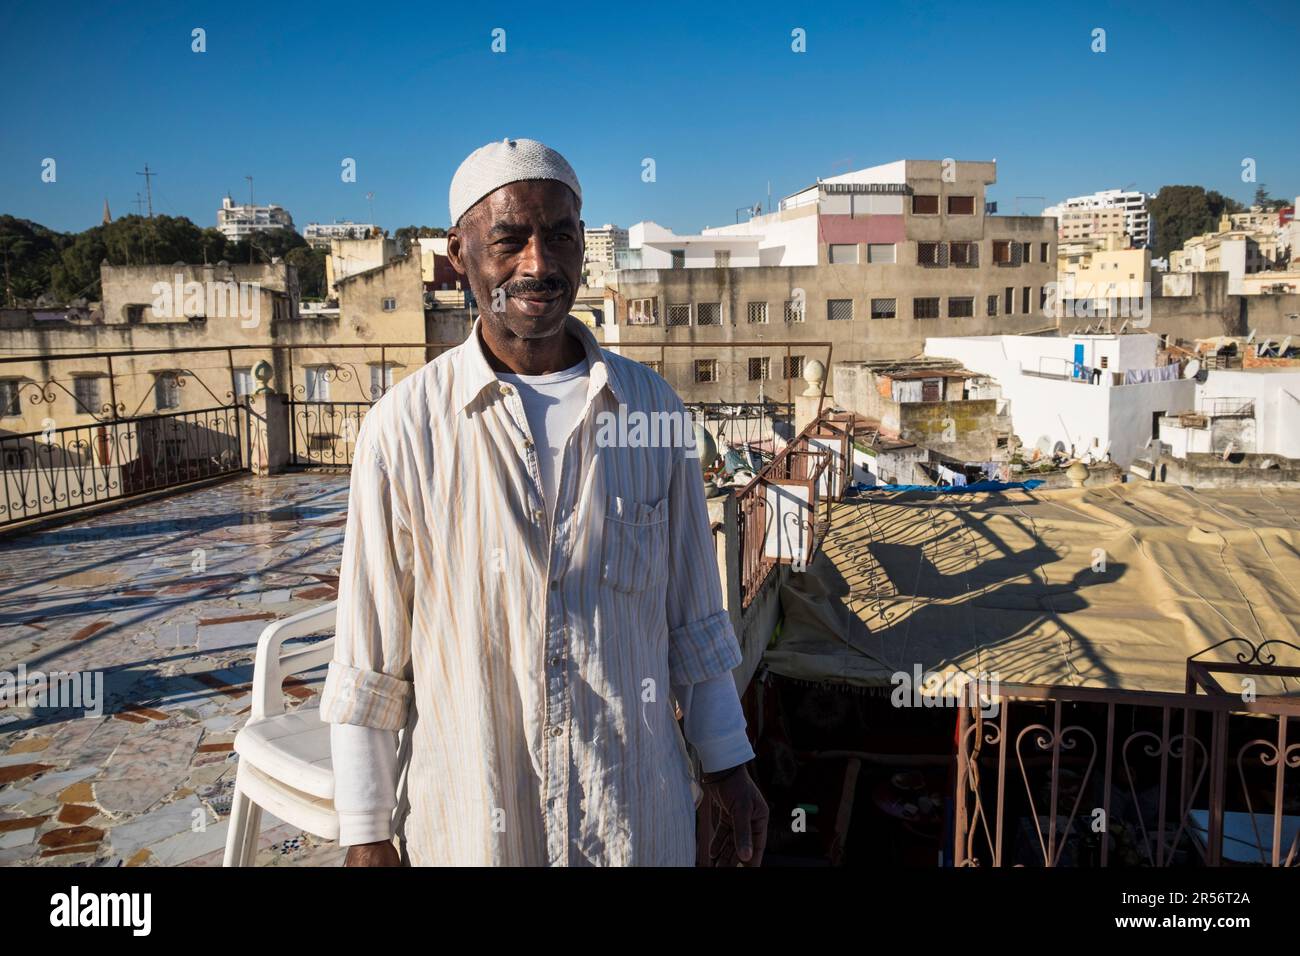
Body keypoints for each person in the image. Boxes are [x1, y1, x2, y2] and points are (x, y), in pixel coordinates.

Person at [320, 138, 768, 866]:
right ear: (458, 256)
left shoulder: (651, 409)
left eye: (560, 235)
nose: (539, 262)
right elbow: (368, 658)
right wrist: (367, 831)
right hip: (474, 827)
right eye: (509, 240)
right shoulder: (403, 431)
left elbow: (695, 618)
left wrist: (728, 764)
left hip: (633, 819)